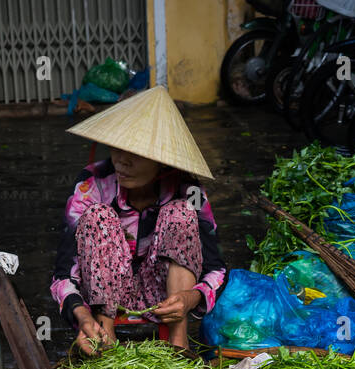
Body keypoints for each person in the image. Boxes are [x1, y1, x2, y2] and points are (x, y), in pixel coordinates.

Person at [51, 86, 225, 354]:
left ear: (161, 157)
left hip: (162, 294)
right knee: (98, 216)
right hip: (102, 297)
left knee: (180, 212)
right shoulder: (92, 184)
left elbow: (216, 269)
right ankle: (103, 335)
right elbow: (64, 273)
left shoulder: (189, 189)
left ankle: (178, 341)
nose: (122, 161)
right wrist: (82, 316)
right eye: (116, 147)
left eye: (136, 151)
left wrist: (190, 299)